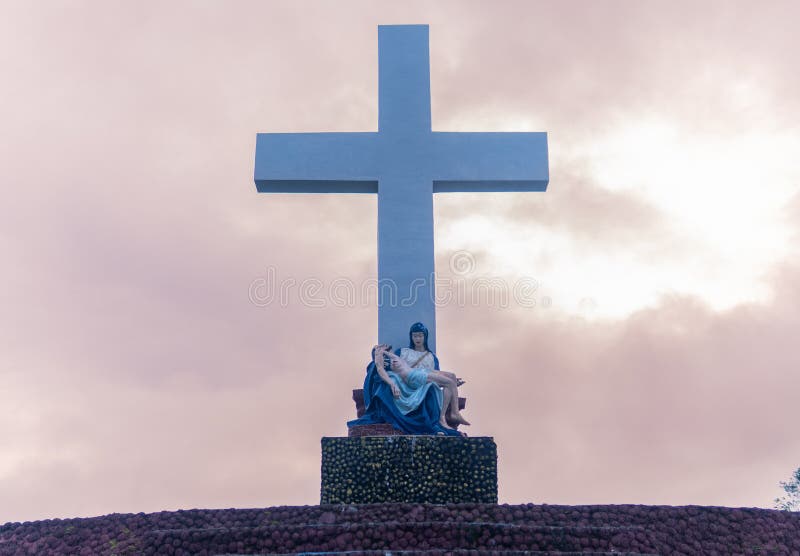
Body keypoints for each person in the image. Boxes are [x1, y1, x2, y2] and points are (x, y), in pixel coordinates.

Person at [347, 343, 463, 436]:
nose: (384, 345)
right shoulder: (381, 356)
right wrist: (392, 384)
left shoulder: (393, 356)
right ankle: (447, 417)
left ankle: (448, 415)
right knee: (447, 382)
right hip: (413, 376)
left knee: (451, 377)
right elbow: (380, 369)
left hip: (417, 373)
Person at [395, 322, 469, 426]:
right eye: (415, 336)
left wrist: (453, 383)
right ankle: (446, 415)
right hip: (412, 379)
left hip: (426, 378)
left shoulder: (431, 357)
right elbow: (392, 366)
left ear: (425, 337)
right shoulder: (403, 352)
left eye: (420, 336)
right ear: (411, 337)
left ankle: (451, 413)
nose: (417, 339)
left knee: (452, 377)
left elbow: (437, 377)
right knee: (449, 381)